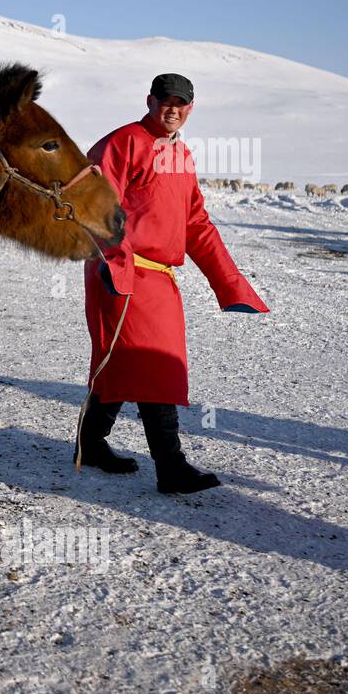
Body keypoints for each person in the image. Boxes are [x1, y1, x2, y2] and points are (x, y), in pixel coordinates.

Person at [77, 73, 268, 493]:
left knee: (126, 361)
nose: (173, 109)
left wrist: (230, 283)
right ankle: (171, 466)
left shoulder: (181, 155)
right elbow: (93, 204)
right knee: (155, 363)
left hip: (158, 277)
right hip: (123, 271)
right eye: (166, 100)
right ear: (150, 100)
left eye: (182, 103)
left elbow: (195, 222)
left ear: (191, 108)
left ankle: (90, 444)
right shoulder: (123, 142)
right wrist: (115, 264)